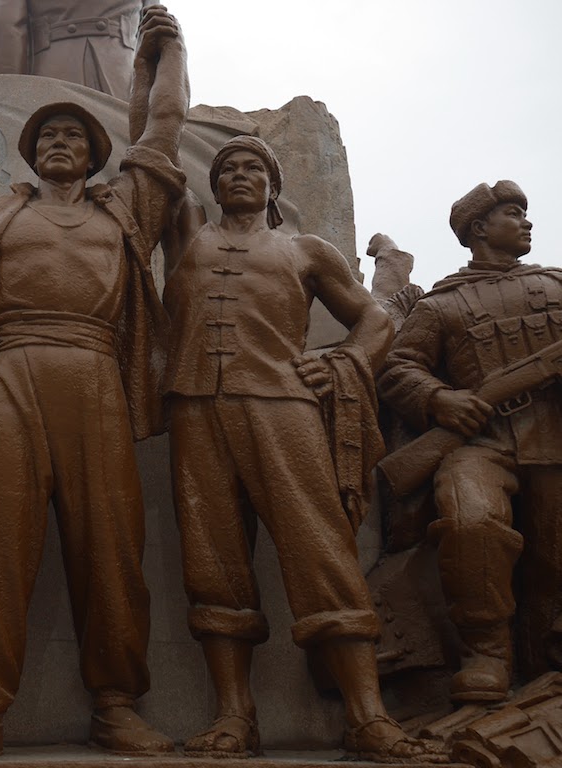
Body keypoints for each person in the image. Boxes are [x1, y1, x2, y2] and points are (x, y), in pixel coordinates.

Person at [0, 5, 186, 759]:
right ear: (30, 155)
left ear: (97, 154)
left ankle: (117, 703)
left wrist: (167, 57)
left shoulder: (124, 211)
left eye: (76, 137)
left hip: (96, 375)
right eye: (48, 137)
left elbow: (160, 134)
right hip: (10, 377)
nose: (62, 143)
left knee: (111, 549)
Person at [164, 135, 442, 761]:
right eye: (228, 168)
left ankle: (367, 718)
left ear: (273, 186)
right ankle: (235, 718)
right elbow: (154, 143)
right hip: (194, 408)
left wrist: (344, 360)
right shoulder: (188, 235)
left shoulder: (305, 251)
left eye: (253, 168)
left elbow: (375, 320)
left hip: (280, 406)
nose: (238, 175)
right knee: (211, 561)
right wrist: (164, 51)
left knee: (321, 549)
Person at [377, 181, 562, 702]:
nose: (527, 222)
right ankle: (487, 653)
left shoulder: (556, 286)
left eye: (526, 214)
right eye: (513, 213)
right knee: (471, 523)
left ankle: (546, 658)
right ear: (479, 228)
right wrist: (441, 401)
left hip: (554, 441)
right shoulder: (441, 305)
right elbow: (398, 368)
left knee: (554, 558)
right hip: (478, 444)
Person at [0, 0, 147, 98]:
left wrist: (3, 97)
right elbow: (157, 27)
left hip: (53, 73)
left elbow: (3, 27)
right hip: (125, 80)